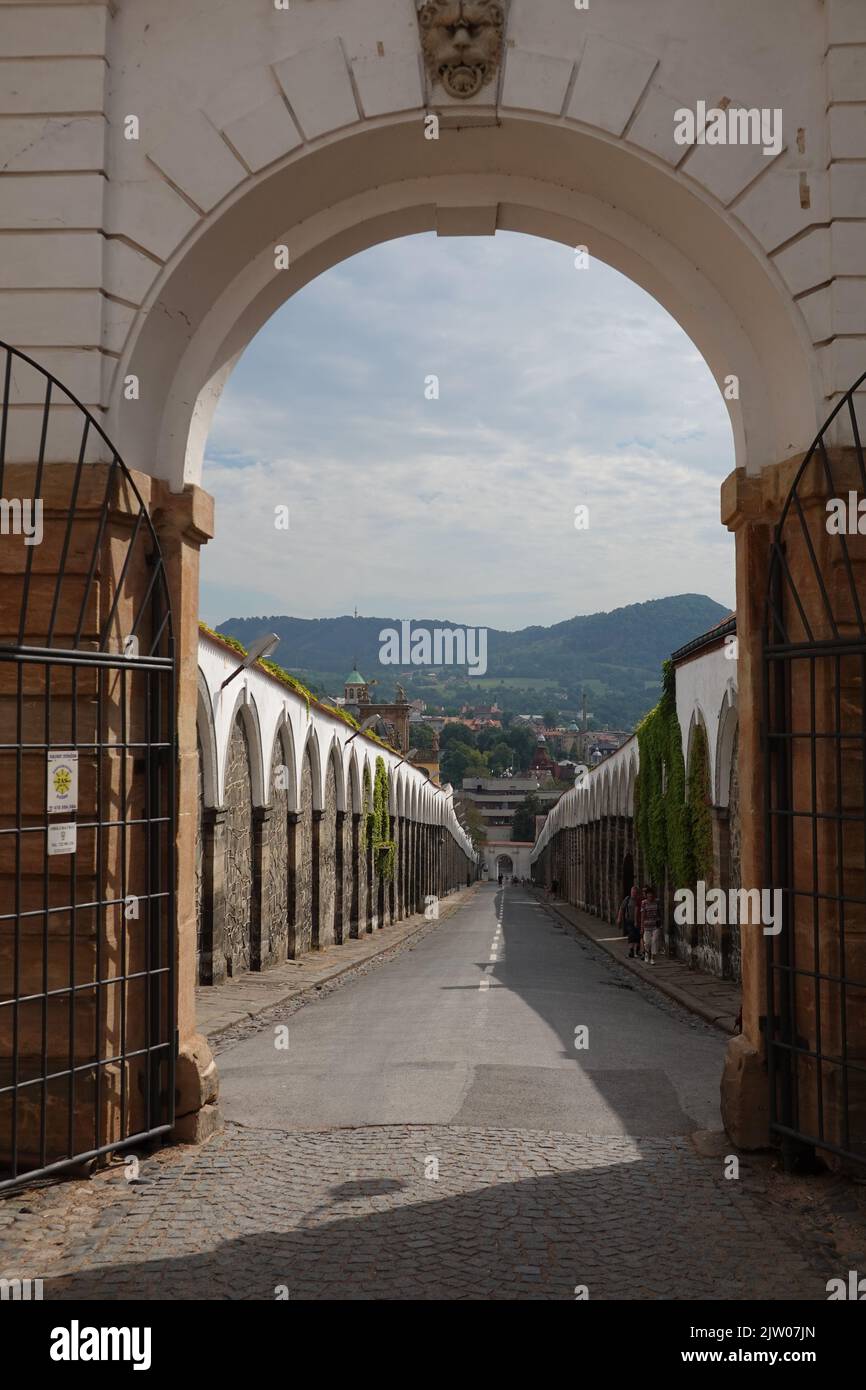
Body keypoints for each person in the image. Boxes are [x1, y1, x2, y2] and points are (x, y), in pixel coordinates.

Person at [641, 886, 661, 964]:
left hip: (656, 925)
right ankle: (646, 954)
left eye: (651, 896)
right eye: (649, 896)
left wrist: (660, 923)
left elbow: (659, 913)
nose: (650, 898)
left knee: (654, 941)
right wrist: (642, 927)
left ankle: (652, 958)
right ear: (646, 896)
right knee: (648, 942)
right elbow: (642, 915)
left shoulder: (657, 902)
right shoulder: (644, 903)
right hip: (647, 925)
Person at [617, 885, 639, 951]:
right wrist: (619, 918)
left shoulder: (639, 900)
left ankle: (637, 949)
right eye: (632, 892)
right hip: (629, 920)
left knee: (637, 935)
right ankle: (631, 949)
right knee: (631, 934)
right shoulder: (627, 899)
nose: (633, 894)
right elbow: (622, 908)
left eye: (635, 892)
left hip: (638, 920)